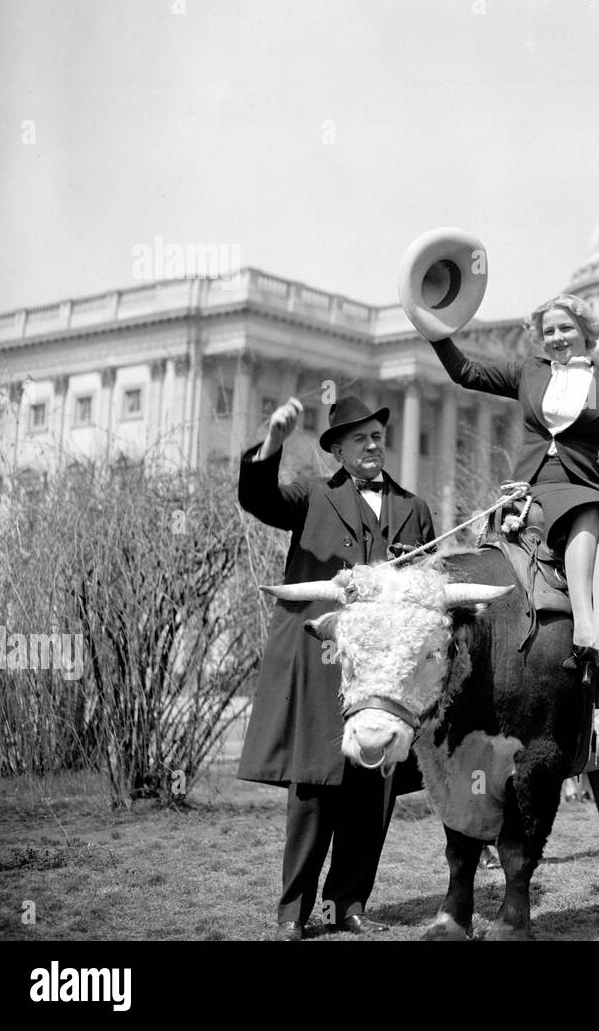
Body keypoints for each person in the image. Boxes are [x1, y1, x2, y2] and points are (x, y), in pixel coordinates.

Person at [238, 394, 435, 940]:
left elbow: (423, 586)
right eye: (360, 439)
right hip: (323, 664)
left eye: (378, 437)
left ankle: (347, 905)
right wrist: (272, 443)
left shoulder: (415, 507)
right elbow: (259, 499)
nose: (373, 446)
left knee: (374, 788)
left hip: (386, 676)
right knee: (315, 788)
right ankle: (291, 915)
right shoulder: (311, 498)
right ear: (339, 450)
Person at [429, 293, 599, 678]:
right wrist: (435, 333)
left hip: (586, 479)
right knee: (590, 512)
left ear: (585, 332)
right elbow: (465, 372)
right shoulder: (531, 371)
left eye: (565, 328)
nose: (557, 337)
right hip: (538, 482)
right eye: (548, 331)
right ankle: (585, 627)